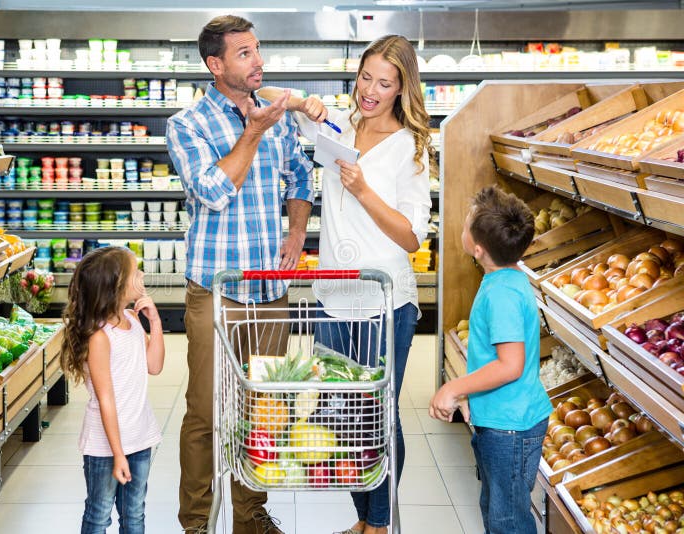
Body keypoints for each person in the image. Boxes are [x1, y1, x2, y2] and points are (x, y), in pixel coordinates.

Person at [260, 34, 433, 534]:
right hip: (333, 297)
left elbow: (411, 235)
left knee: (379, 415)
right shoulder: (338, 125)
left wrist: (363, 190)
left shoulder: (412, 148)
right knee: (340, 416)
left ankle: (380, 522)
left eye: (384, 83)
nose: (370, 92)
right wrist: (302, 102)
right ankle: (363, 518)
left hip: (384, 301)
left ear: (402, 89)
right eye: (365, 78)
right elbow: (269, 98)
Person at [165, 15, 314, 534]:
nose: (259, 61)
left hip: (270, 289)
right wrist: (252, 133)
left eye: (258, 50)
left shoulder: (278, 118)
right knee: (205, 412)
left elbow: (300, 175)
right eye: (245, 53)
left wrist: (296, 233)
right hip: (216, 289)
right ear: (216, 64)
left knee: (264, 406)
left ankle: (250, 516)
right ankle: (196, 522)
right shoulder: (187, 125)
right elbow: (213, 190)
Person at [429, 186, 552, 534]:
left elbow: (509, 365)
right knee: (497, 508)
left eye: (466, 223)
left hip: (509, 428)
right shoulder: (506, 278)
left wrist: (454, 387)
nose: (462, 226)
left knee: (508, 520)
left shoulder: (501, 294)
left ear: (478, 249)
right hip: (501, 418)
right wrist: (472, 396)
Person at [60, 246, 165, 534]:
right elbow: (106, 399)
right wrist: (118, 453)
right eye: (136, 272)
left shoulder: (131, 321)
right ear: (116, 285)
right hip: (105, 446)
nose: (142, 275)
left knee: (134, 516)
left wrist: (154, 322)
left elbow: (154, 366)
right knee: (99, 514)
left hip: (140, 437)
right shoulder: (99, 337)